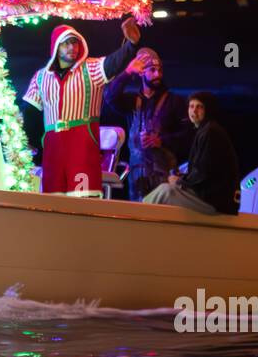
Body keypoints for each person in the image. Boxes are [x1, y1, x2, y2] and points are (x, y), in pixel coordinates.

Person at [23, 17, 141, 194]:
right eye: (66, 44)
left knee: (82, 200)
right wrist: (28, 142)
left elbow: (113, 63)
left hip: (81, 146)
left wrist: (131, 45)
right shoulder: (41, 77)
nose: (72, 47)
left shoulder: (90, 69)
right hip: (53, 149)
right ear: (56, 47)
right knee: (51, 201)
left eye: (75, 42)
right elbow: (30, 112)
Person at [103, 47, 193, 200]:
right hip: (137, 177)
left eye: (160, 70)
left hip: (165, 175)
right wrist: (127, 72)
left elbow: (190, 135)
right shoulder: (132, 101)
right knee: (138, 219)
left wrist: (162, 141)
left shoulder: (174, 101)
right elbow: (109, 96)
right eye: (152, 70)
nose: (158, 74)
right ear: (141, 73)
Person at [143, 91, 239, 214]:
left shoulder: (211, 132)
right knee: (166, 189)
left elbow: (203, 172)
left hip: (216, 202)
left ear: (208, 110)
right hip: (208, 197)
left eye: (199, 107)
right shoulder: (205, 131)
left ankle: (136, 222)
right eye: (191, 106)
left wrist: (179, 181)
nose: (194, 111)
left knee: (166, 192)